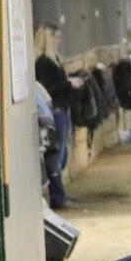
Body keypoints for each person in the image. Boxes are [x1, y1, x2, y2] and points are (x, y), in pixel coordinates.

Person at [33, 24, 85, 209]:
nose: (59, 41)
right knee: (56, 156)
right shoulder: (43, 64)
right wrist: (69, 84)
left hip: (63, 109)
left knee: (61, 156)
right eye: (56, 37)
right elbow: (48, 90)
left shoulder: (55, 61)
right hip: (55, 110)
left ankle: (59, 194)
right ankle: (58, 196)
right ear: (48, 38)